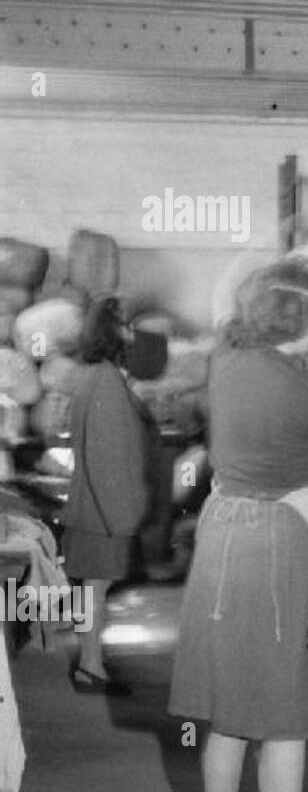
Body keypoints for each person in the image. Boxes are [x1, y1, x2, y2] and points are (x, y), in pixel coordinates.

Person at [168, 262, 308, 792]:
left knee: (227, 707)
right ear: (306, 324)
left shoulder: (224, 363)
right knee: (284, 708)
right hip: (280, 537)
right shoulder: (307, 390)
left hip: (222, 528)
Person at [62, 296, 150, 696]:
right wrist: (125, 518)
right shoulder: (109, 384)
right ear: (111, 332)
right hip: (102, 512)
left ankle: (90, 664)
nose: (132, 333)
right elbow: (111, 459)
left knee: (90, 590)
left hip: (88, 506)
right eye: (125, 325)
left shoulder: (91, 377)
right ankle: (90, 667)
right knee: (94, 590)